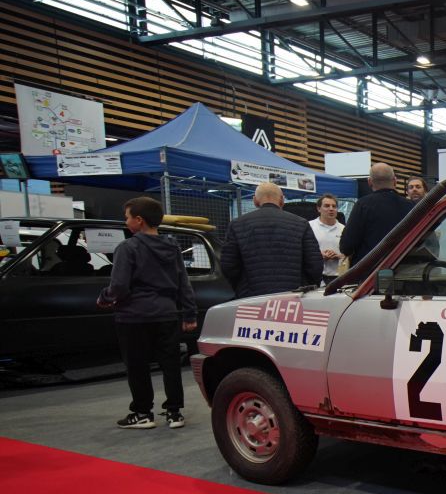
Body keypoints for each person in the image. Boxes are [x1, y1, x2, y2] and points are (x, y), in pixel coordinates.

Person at [96, 196, 197, 430]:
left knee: (137, 365)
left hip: (134, 317)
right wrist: (190, 314)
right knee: (171, 364)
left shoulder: (127, 248)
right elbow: (184, 283)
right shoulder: (173, 248)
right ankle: (174, 413)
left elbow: (119, 286)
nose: (126, 222)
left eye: (127, 217)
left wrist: (105, 297)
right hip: (168, 314)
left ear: (139, 220)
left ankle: (142, 413)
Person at [221, 181, 323, 298]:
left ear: (255, 200)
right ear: (282, 200)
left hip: (250, 297)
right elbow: (314, 264)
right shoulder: (301, 224)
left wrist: (241, 287)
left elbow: (228, 265)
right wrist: (306, 287)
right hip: (293, 296)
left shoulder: (237, 224)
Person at [340, 163, 413, 266]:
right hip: (404, 268)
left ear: (370, 182)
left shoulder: (362, 205)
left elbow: (347, 246)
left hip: (370, 272)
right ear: (395, 181)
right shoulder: (411, 206)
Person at [309, 193, 344, 285]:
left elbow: (350, 254)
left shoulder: (344, 229)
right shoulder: (309, 226)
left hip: (338, 277)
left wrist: (339, 256)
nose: (331, 209)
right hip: (316, 277)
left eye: (334, 206)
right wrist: (318, 255)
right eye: (327, 206)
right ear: (318, 208)